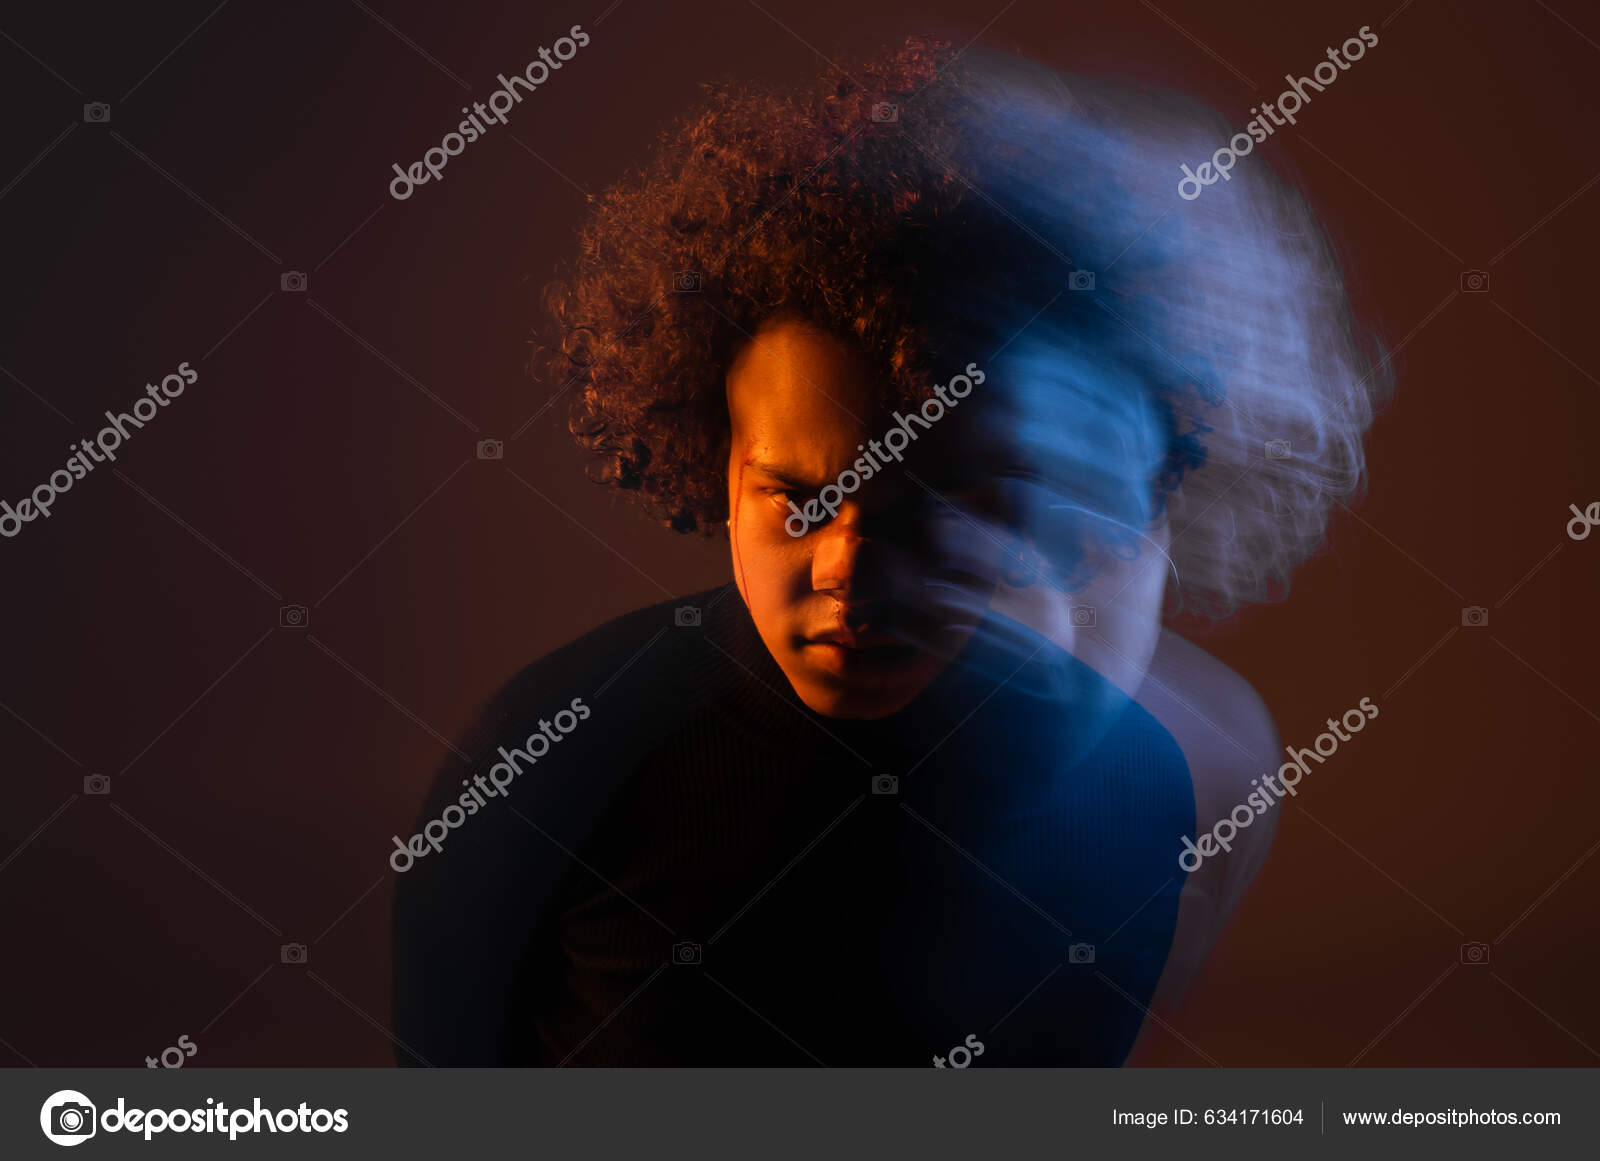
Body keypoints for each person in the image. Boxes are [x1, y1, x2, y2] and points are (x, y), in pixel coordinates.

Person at [391, 36, 1386, 1067]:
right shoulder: (567, 744)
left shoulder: (1183, 772)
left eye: (945, 506)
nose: (852, 573)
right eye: (800, 496)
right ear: (718, 469)